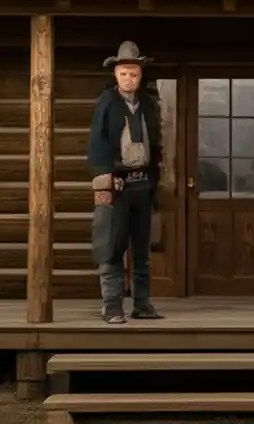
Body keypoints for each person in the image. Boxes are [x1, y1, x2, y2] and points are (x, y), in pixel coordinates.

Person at [88, 40, 164, 324]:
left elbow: (155, 143)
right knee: (111, 247)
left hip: (142, 184)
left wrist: (156, 179)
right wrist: (103, 182)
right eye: (123, 73)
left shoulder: (148, 104)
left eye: (133, 73)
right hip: (116, 185)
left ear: (140, 74)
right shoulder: (106, 102)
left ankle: (142, 304)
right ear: (115, 75)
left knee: (141, 249)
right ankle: (112, 305)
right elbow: (98, 142)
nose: (129, 78)